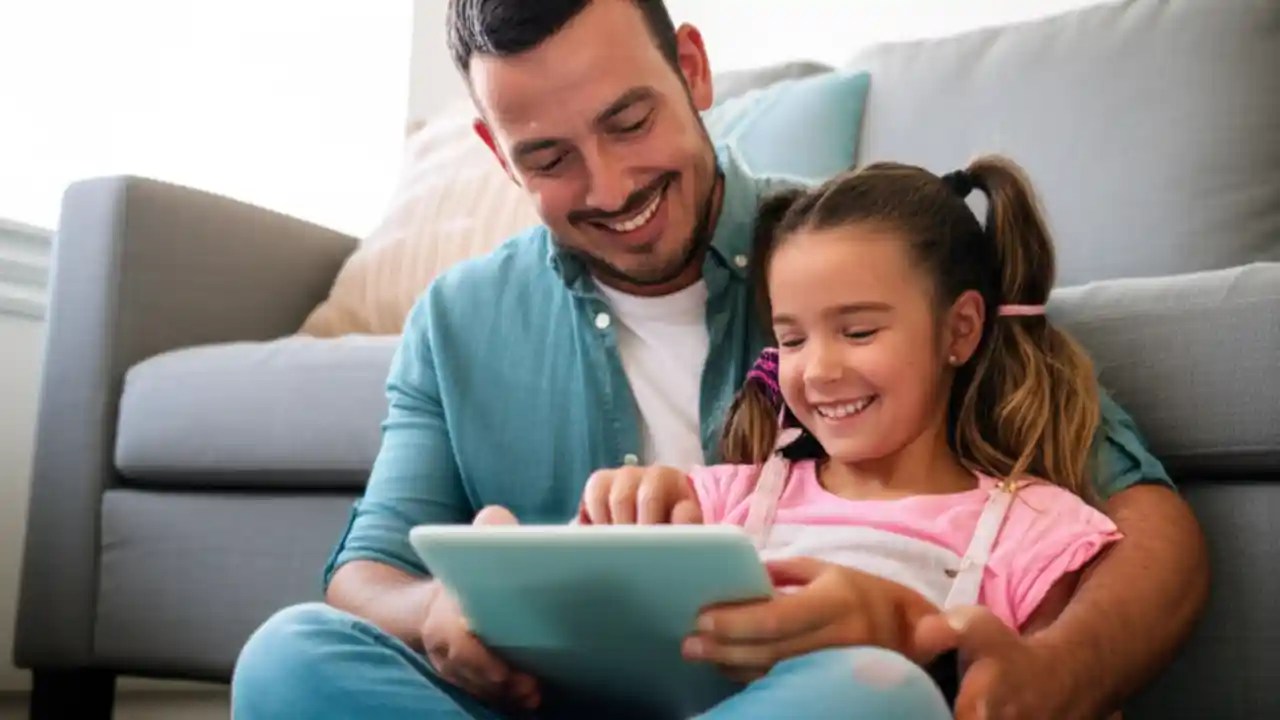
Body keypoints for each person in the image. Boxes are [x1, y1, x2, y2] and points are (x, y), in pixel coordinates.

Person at [230, 1, 1208, 718]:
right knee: (290, 654)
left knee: (866, 693)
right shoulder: (456, 319)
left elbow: (1142, 519)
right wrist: (442, 606)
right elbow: (366, 573)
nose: (609, 186)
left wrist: (1055, 676)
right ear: (496, 152)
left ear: (692, 70)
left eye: (629, 121)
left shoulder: (847, 253)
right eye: (548, 158)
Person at [578, 157, 1125, 716]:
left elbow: (1056, 697)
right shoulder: (725, 502)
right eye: (792, 341)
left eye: (858, 332)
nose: (818, 371)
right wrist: (624, 508)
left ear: (959, 329)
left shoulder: (1034, 531)